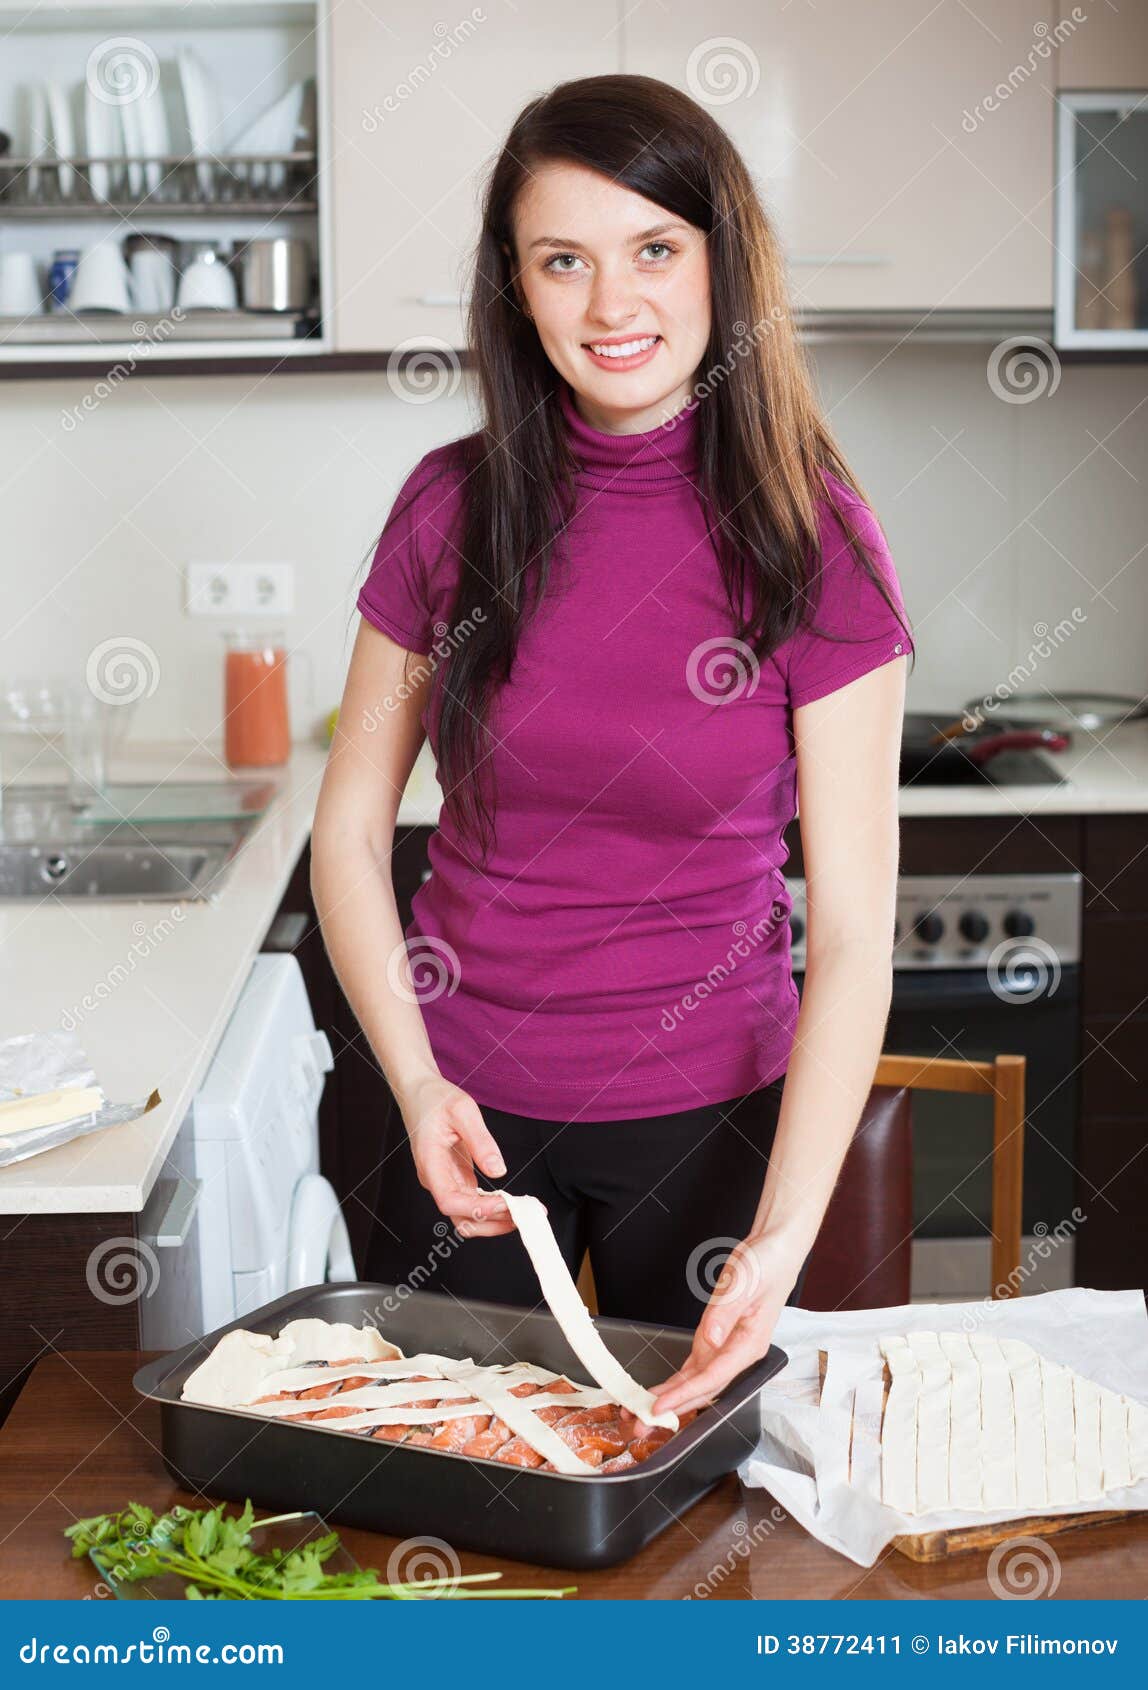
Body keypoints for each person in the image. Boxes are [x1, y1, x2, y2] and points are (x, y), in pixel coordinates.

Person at [311, 74, 913, 1421]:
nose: (611, 305)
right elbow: (349, 829)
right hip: (452, 1112)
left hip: (707, 1131)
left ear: (721, 262)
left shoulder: (814, 540)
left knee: (686, 1521)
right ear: (517, 288)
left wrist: (782, 1230)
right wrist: (414, 1082)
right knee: (461, 1497)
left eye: (654, 250)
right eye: (562, 261)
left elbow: (862, 936)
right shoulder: (450, 509)